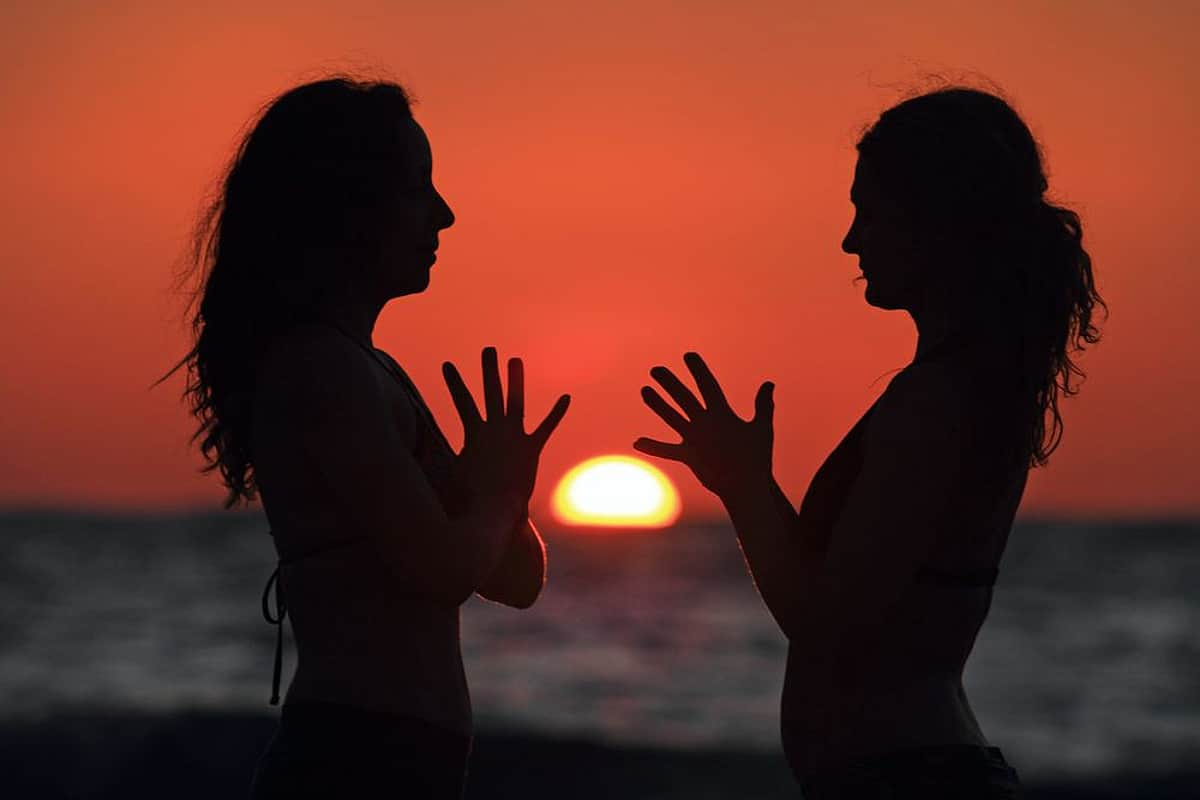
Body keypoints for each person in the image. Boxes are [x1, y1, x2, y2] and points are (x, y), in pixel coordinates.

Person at [635, 87, 1105, 798]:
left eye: (868, 212)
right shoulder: (961, 389)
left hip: (912, 779)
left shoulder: (938, 405)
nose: (852, 241)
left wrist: (745, 486)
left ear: (936, 224)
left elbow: (831, 627)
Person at [167, 76, 570, 798]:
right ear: (345, 208)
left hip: (407, 759)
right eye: (418, 188)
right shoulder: (316, 368)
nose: (443, 215)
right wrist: (499, 490)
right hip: (352, 756)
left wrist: (499, 494)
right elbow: (445, 569)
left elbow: (514, 579)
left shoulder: (371, 370)